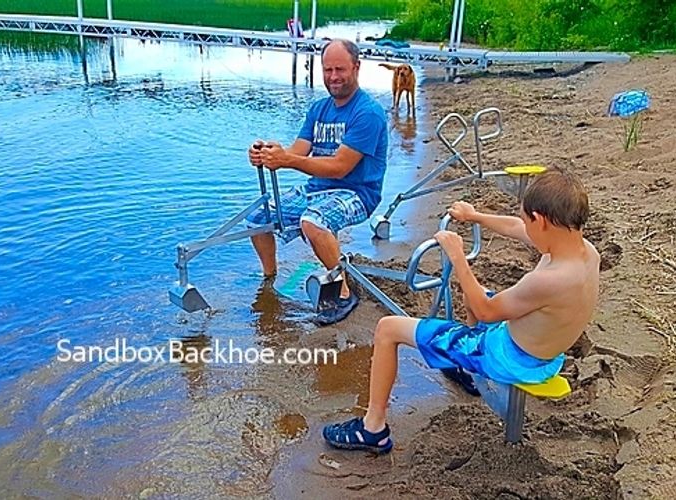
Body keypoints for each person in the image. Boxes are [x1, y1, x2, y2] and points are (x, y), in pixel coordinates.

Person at [321, 170, 600, 453]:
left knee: (388, 328)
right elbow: (518, 228)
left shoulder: (548, 280)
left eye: (528, 221)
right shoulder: (585, 252)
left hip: (512, 358)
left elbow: (486, 311)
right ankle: (468, 371)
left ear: (540, 220)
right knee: (480, 293)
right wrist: (475, 216)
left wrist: (457, 256)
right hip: (545, 354)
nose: (524, 227)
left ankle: (373, 429)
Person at [246, 38, 388, 326]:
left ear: (356, 68)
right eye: (327, 70)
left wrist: (289, 161)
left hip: (358, 192)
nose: (333, 77)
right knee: (257, 217)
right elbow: (298, 151)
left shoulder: (368, 113)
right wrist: (272, 154)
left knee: (313, 222)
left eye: (340, 69)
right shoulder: (318, 109)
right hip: (318, 189)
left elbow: (339, 167)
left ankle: (343, 291)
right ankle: (269, 277)